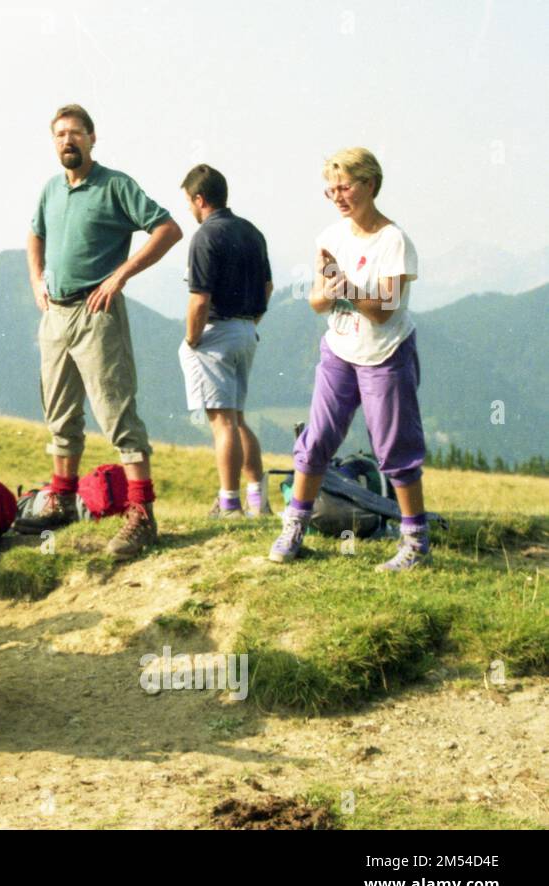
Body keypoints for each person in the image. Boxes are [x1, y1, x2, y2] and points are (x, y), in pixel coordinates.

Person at [23, 103, 183, 559]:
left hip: (98, 313)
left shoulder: (115, 185)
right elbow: (35, 234)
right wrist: (37, 279)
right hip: (55, 313)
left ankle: (142, 513)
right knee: (58, 408)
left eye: (75, 133)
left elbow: (168, 229)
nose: (67, 141)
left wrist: (120, 276)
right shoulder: (51, 190)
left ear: (93, 139)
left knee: (115, 409)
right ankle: (61, 498)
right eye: (59, 135)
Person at [268, 147, 428, 571]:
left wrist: (347, 287)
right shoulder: (330, 236)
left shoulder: (393, 240)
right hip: (339, 350)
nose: (337, 196)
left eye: (344, 187)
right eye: (330, 189)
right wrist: (331, 287)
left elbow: (386, 308)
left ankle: (415, 542)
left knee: (395, 449)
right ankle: (294, 527)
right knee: (316, 439)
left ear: (369, 184)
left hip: (384, 353)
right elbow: (319, 303)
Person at [177, 164, 274, 519]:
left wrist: (191, 339)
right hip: (247, 330)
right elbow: (267, 287)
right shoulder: (252, 232)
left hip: (215, 334)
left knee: (222, 423)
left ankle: (230, 504)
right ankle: (257, 501)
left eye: (188, 201)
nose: (188, 209)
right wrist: (249, 322)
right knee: (237, 418)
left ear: (200, 199)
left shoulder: (204, 237)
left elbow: (199, 299)